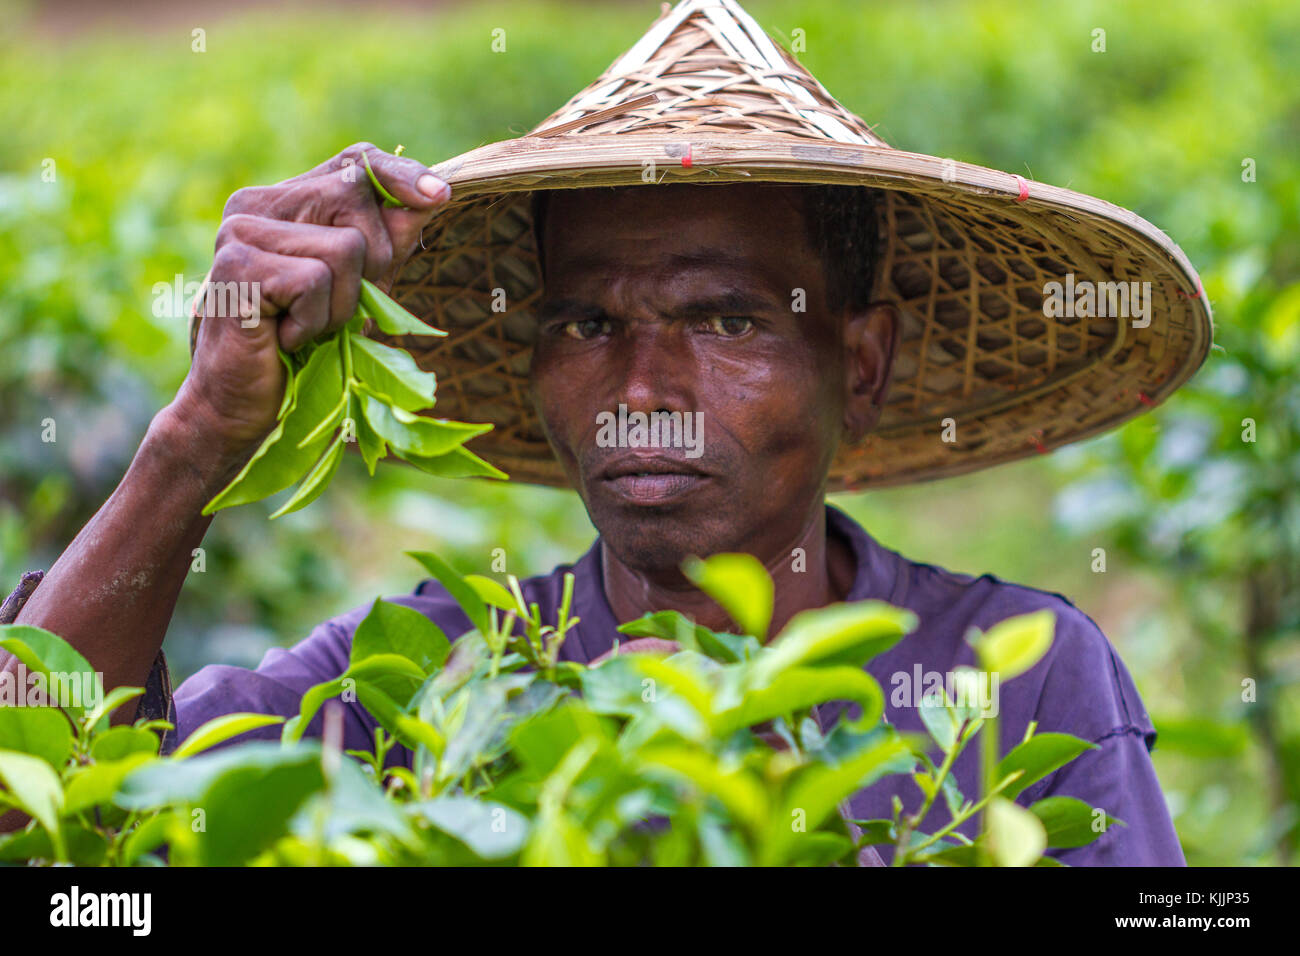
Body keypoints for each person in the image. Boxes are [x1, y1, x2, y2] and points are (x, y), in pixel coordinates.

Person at [2, 0, 1211, 865]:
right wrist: (198, 437)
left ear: (861, 358)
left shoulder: (1017, 676)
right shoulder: (423, 680)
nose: (642, 383)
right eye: (585, 320)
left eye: (726, 316)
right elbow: (46, 820)